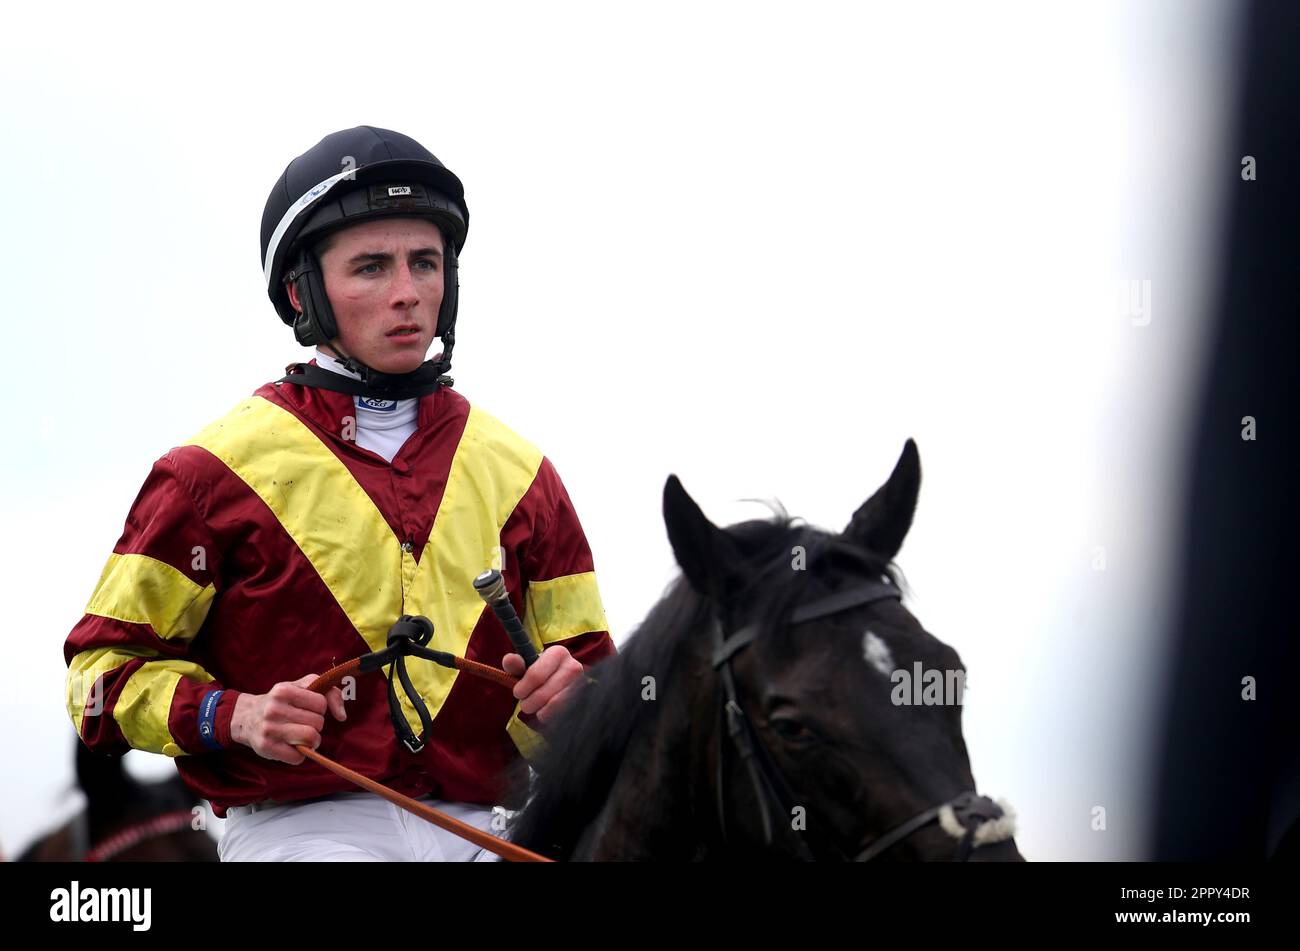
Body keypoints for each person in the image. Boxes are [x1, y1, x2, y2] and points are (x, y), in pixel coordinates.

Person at [62, 126, 616, 861]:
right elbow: (98, 676)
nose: (408, 294)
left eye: (426, 263)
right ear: (303, 292)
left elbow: (602, 685)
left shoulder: (523, 473)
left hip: (488, 826)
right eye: (371, 267)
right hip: (303, 829)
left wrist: (578, 706)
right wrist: (233, 715)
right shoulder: (209, 472)